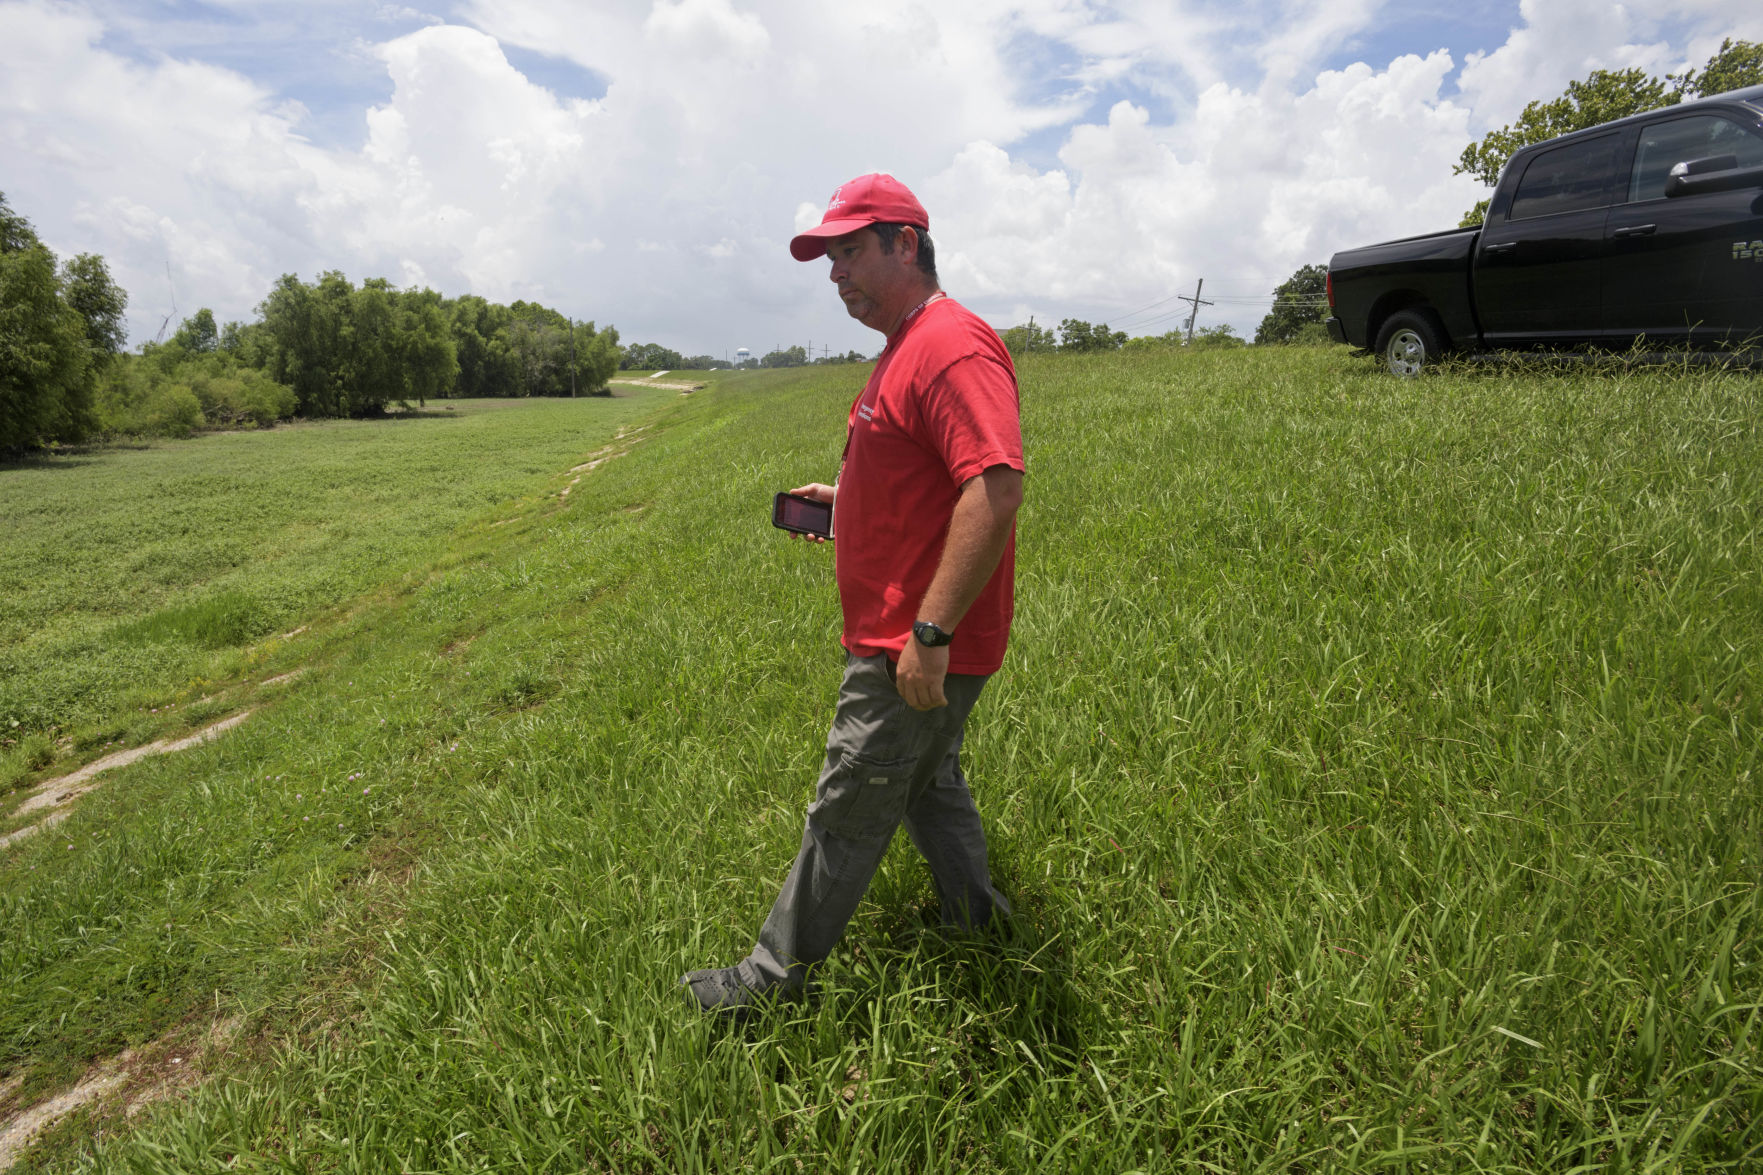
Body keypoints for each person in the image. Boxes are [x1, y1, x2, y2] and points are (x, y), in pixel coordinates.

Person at [682, 173, 1025, 1016]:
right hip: (902, 631)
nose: (835, 272)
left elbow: (995, 486)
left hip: (907, 641)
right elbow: (927, 480)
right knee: (927, 784)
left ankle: (767, 984)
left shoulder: (949, 345)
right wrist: (850, 504)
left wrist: (931, 631)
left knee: (847, 807)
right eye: (827, 257)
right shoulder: (904, 347)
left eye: (850, 250)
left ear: (905, 243)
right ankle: (978, 924)